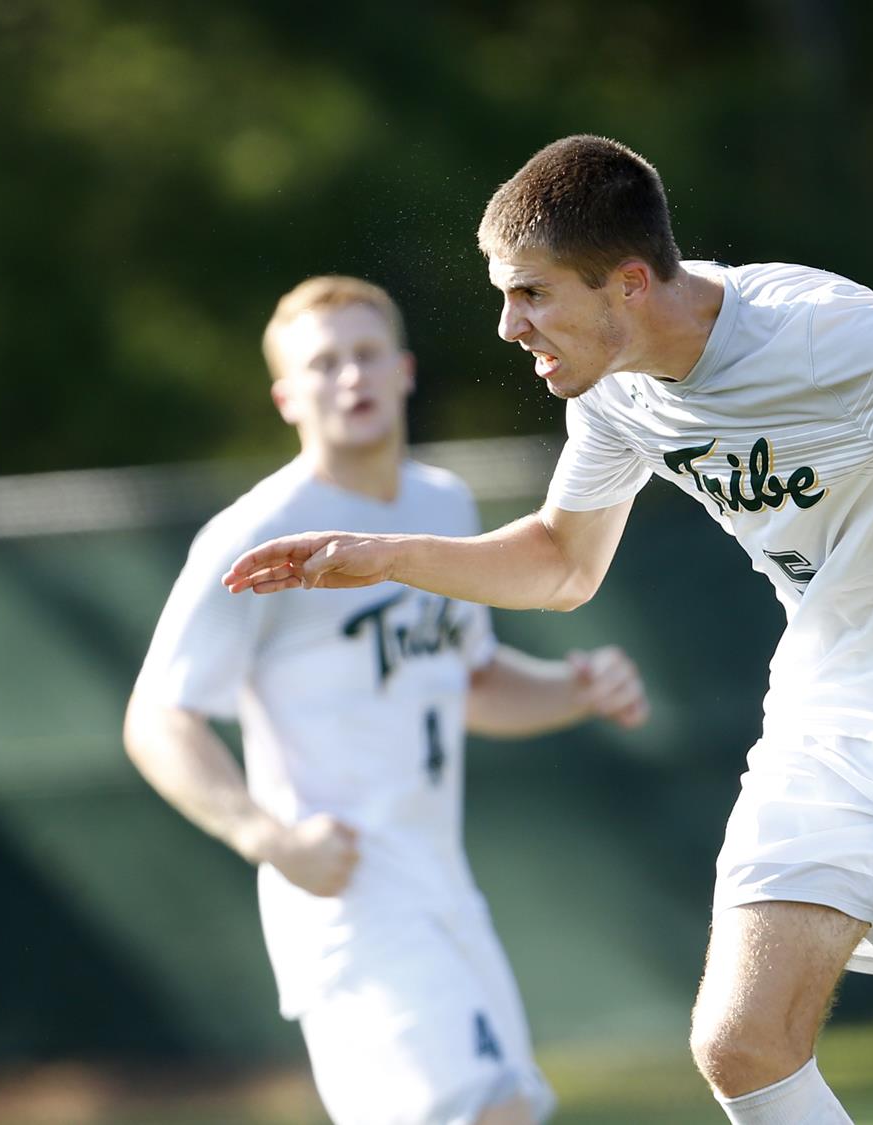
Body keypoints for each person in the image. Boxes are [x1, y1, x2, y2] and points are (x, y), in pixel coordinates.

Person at [223, 138, 873, 1124]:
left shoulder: (819, 332)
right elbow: (560, 564)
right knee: (740, 1045)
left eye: (529, 293)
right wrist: (380, 554)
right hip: (829, 718)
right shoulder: (614, 392)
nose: (506, 325)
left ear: (624, 283)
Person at [124, 275, 649, 1125]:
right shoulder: (257, 529)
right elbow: (158, 717)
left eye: (366, 354)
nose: (350, 377)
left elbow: (466, 679)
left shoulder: (441, 503)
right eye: (323, 363)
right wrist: (268, 837)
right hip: (348, 899)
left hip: (442, 885)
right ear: (287, 396)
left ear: (404, 370)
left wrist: (574, 689)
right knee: (493, 1113)